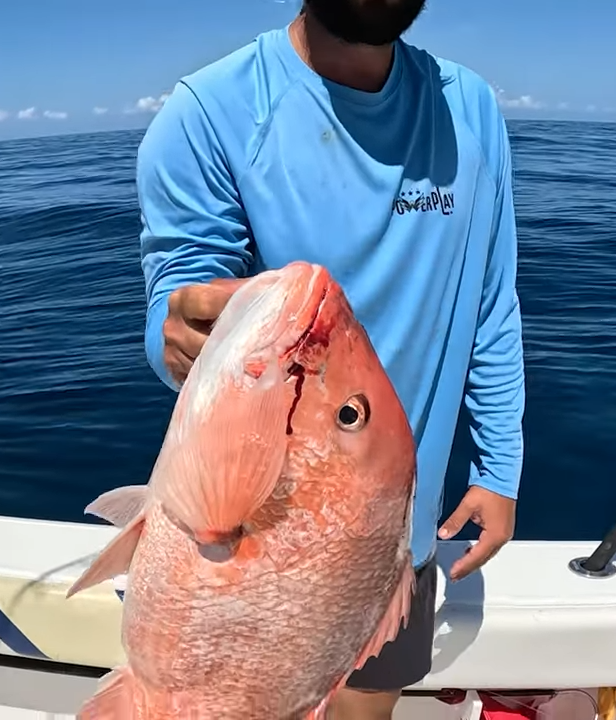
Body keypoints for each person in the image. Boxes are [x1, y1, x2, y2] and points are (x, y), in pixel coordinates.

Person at [135, 0, 525, 717]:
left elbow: (491, 303)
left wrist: (500, 467)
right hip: (247, 546)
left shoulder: (469, 109)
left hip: (394, 542)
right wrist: (181, 333)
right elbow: (182, 299)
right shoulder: (208, 115)